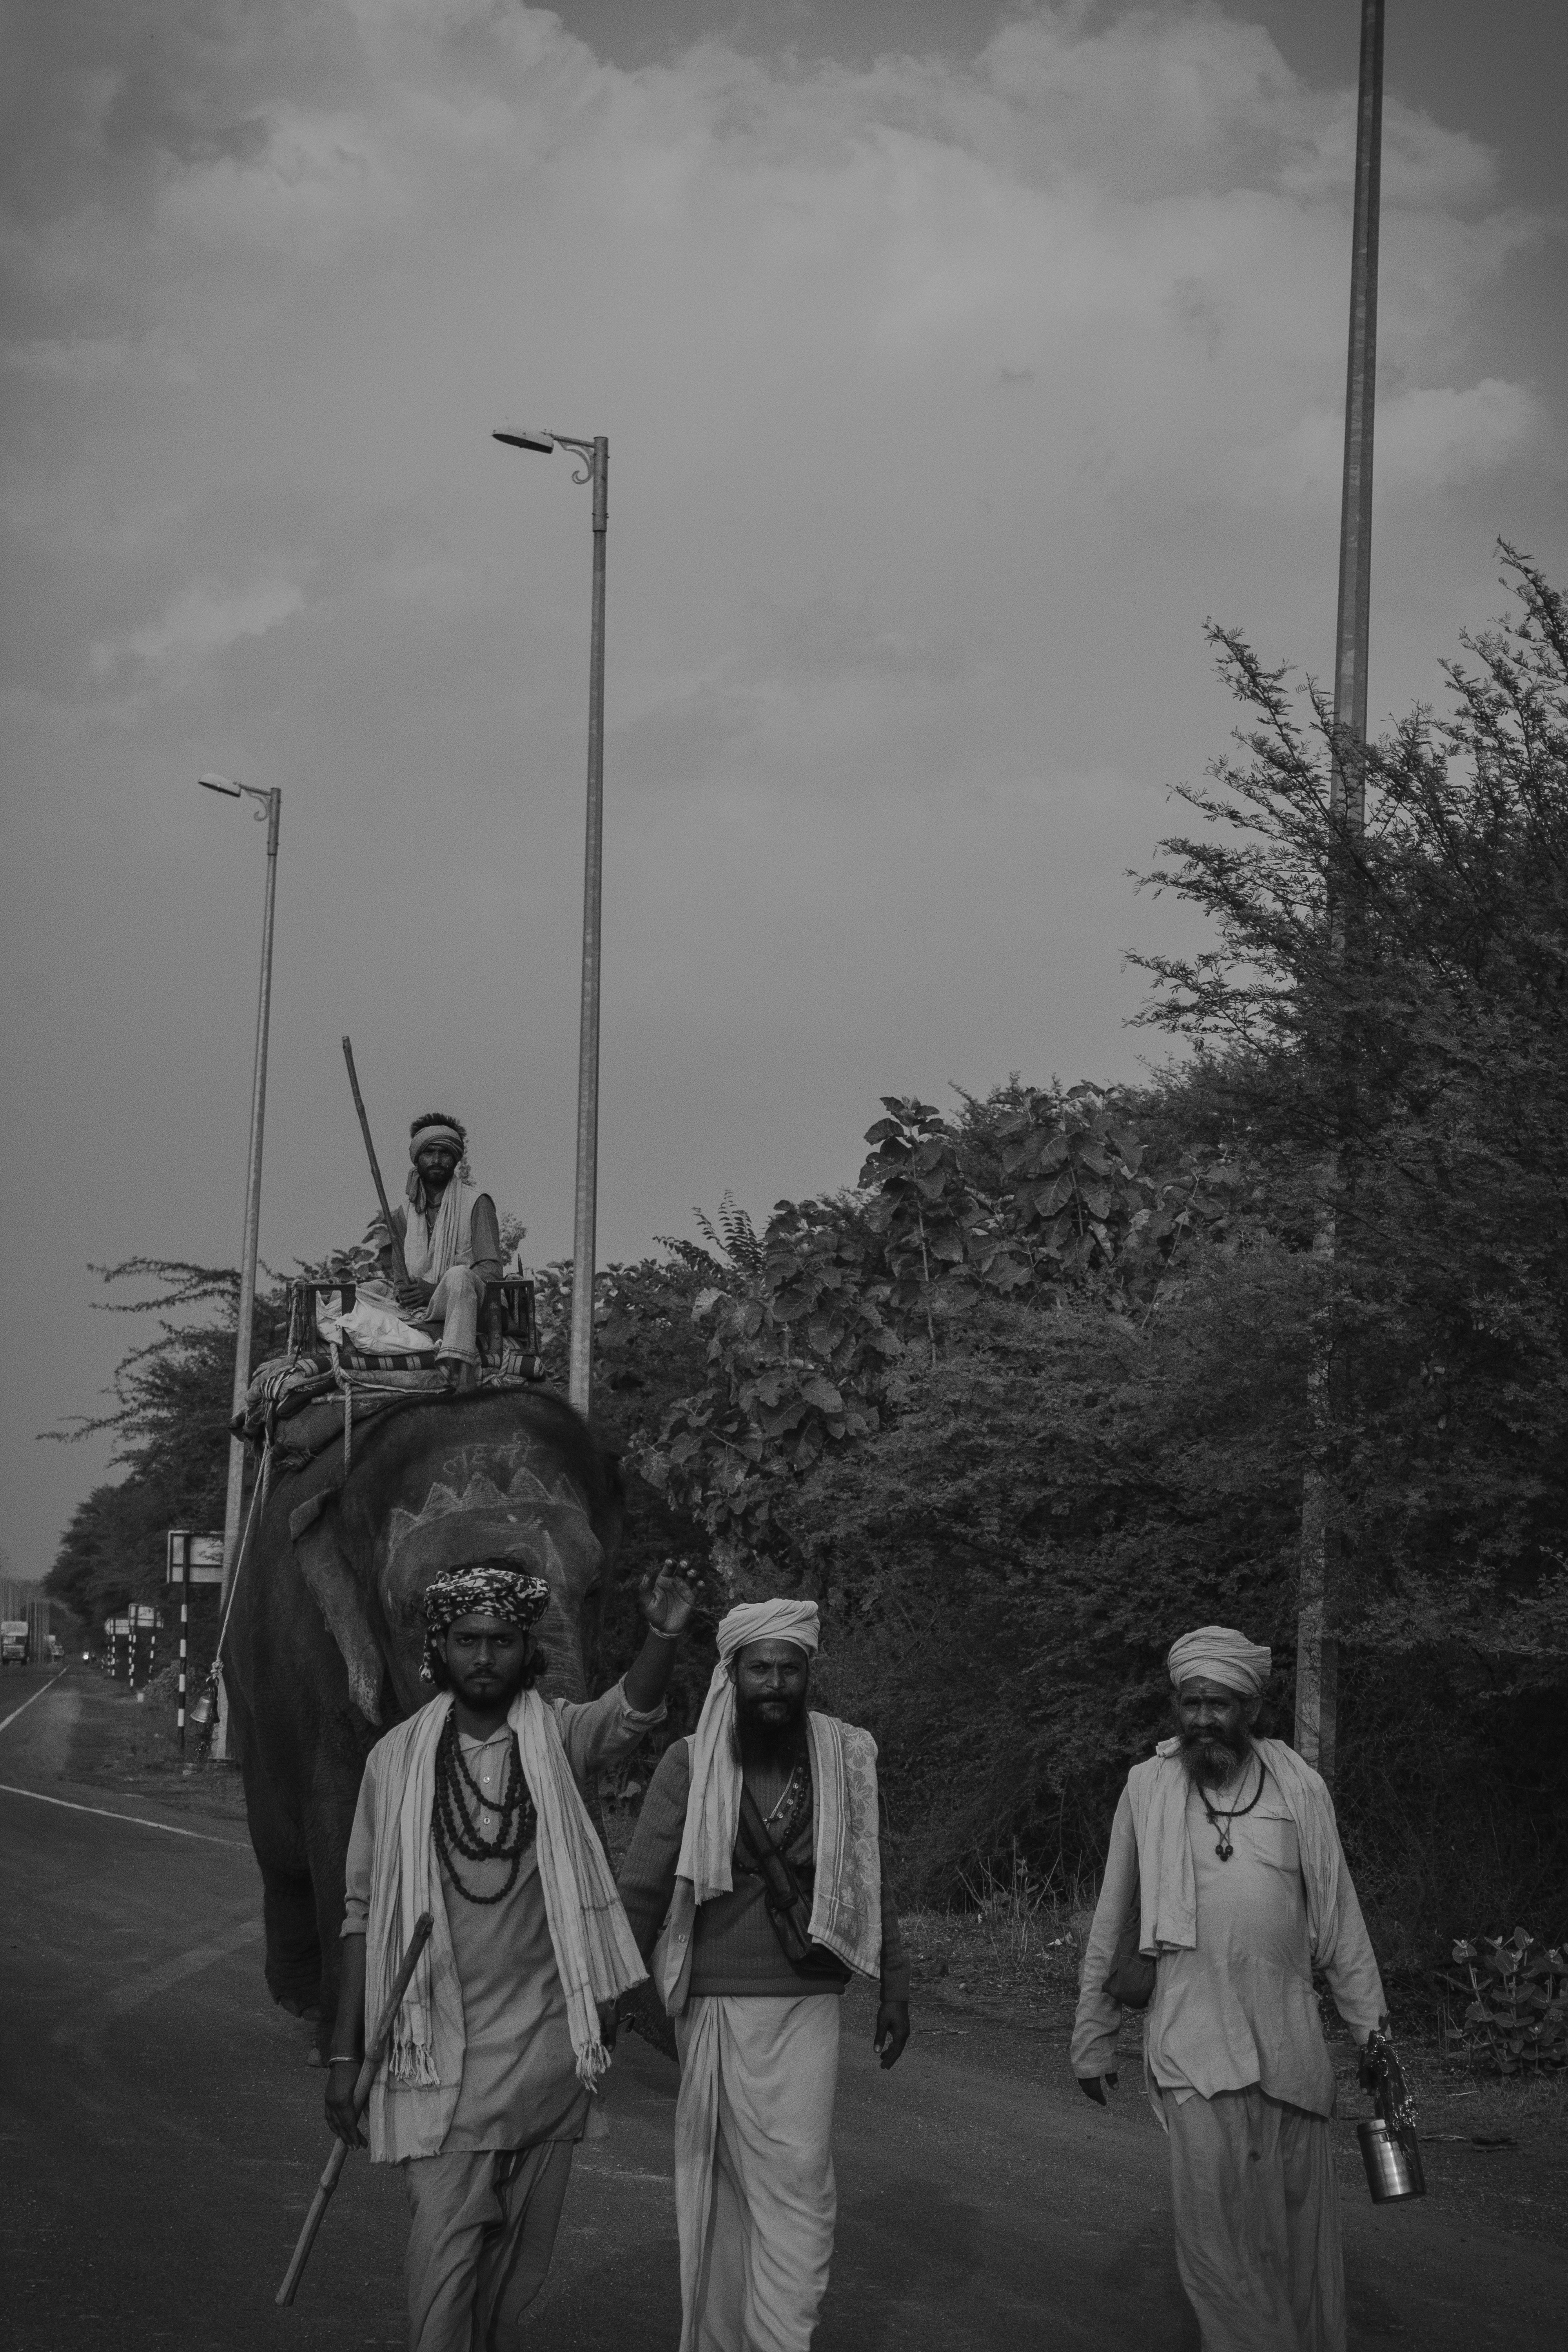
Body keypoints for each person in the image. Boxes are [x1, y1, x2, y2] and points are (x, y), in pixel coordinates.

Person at [325, 1556, 694, 2352]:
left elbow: (626, 1715)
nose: (483, 1656)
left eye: (499, 1640)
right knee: (444, 2251)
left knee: (511, 2268)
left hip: (544, 2055)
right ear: (440, 1650)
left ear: (528, 1653)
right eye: (466, 1640)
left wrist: (663, 1636)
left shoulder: (555, 1739)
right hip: (434, 2056)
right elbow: (359, 1915)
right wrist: (343, 2054)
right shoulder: (393, 1763)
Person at [1071, 1624, 1390, 2352]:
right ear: (1176, 1706)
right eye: (1191, 1703)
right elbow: (1111, 1917)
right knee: (1216, 2244)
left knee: (1295, 2244)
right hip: (1193, 2041)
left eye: (1219, 1704)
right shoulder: (1148, 1786)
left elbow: (1341, 1921)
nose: (1203, 1719)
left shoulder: (1299, 1785)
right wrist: (1093, 2040)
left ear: (1250, 1706)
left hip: (1290, 2048)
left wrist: (1375, 2034)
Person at [617, 1598, 911, 2352]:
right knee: (721, 2193)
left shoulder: (845, 1759)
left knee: (801, 2184)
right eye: (760, 1669)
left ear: (809, 1672)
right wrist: (608, 1996)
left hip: (807, 2004)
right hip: (710, 2007)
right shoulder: (690, 1761)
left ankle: (782, 2342)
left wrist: (895, 1986)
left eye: (789, 1668)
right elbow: (644, 1890)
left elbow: (869, 1879)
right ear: (733, 1673)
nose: (774, 1683)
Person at [366, 1113, 503, 1389]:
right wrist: (404, 1291)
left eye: (445, 1153)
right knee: (359, 1293)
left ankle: (462, 1374)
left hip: (469, 1303)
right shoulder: (401, 1216)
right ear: (417, 1158)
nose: (437, 1160)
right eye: (430, 1152)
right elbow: (401, 1279)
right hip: (420, 1310)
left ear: (456, 1159)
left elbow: (492, 1271)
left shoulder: (477, 1203)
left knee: (460, 1276)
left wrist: (435, 1288)